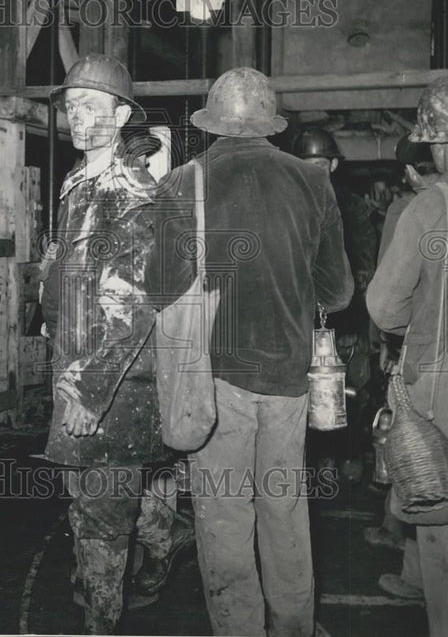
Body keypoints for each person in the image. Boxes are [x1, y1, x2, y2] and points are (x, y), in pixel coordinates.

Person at [147, 67, 354, 637]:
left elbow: (159, 290)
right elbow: (337, 293)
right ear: (271, 123)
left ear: (211, 122)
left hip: (215, 382)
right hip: (290, 379)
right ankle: (294, 626)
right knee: (285, 511)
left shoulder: (183, 184)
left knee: (225, 516)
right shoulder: (314, 184)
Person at [39, 54, 190, 634]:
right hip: (81, 364)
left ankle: (103, 618)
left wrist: (89, 390)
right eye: (72, 107)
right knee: (127, 486)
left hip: (113, 378)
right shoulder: (79, 181)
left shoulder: (129, 191)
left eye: (92, 106)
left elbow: (130, 306)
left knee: (99, 510)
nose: (78, 118)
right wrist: (52, 318)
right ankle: (163, 544)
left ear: (122, 113)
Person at [367, 75, 448, 637]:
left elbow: (383, 305)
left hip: (438, 388)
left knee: (438, 516)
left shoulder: (428, 209)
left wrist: (413, 328)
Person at [365, 136, 439, 563]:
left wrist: (388, 343)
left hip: (427, 363)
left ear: (411, 172)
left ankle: (412, 564)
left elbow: (387, 300)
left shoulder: (412, 210)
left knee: (421, 459)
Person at [293, 127, 377, 478]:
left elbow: (364, 265)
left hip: (344, 320)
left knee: (351, 389)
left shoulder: (351, 207)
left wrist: (346, 319)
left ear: (334, 164)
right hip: (300, 323)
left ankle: (347, 454)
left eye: (321, 163)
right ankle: (315, 459)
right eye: (308, 163)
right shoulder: (288, 206)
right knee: (304, 393)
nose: (315, 171)